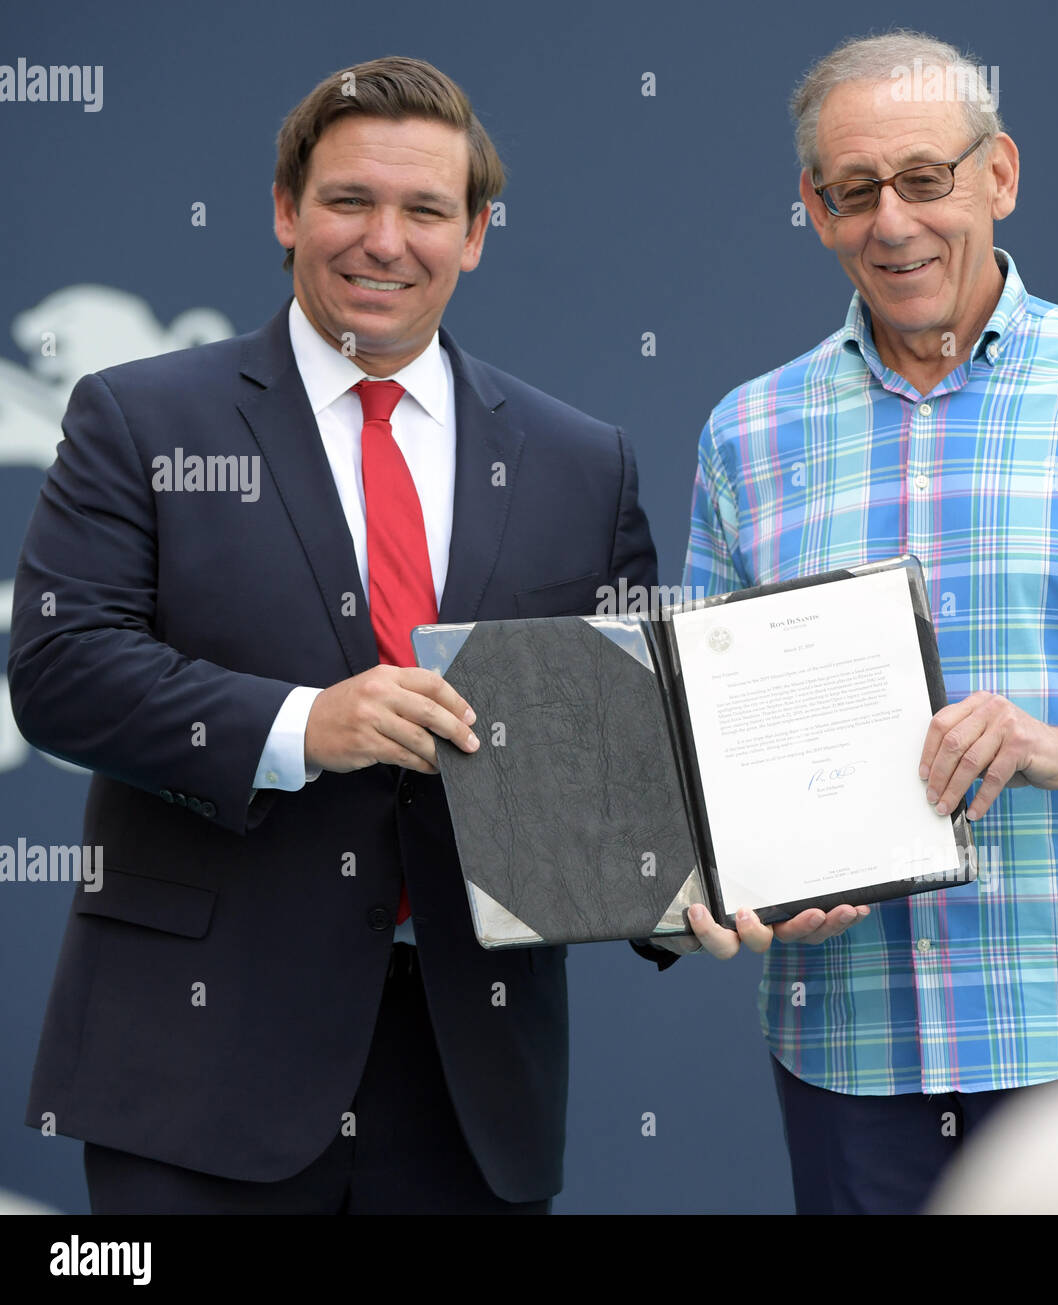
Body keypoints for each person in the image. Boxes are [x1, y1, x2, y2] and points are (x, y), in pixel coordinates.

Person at [8, 55, 657, 1214]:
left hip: (471, 1084)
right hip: (203, 1070)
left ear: (475, 235)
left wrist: (703, 882)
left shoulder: (579, 460)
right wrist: (305, 723)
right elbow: (60, 670)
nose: (384, 241)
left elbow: (625, 749)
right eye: (350, 201)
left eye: (425, 210)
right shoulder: (140, 415)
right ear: (285, 210)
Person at [672, 30, 1058, 1214]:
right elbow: (700, 735)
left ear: (997, 175)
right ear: (813, 208)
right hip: (848, 1043)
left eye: (924, 178)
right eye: (854, 192)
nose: (892, 222)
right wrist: (722, 880)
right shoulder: (748, 435)